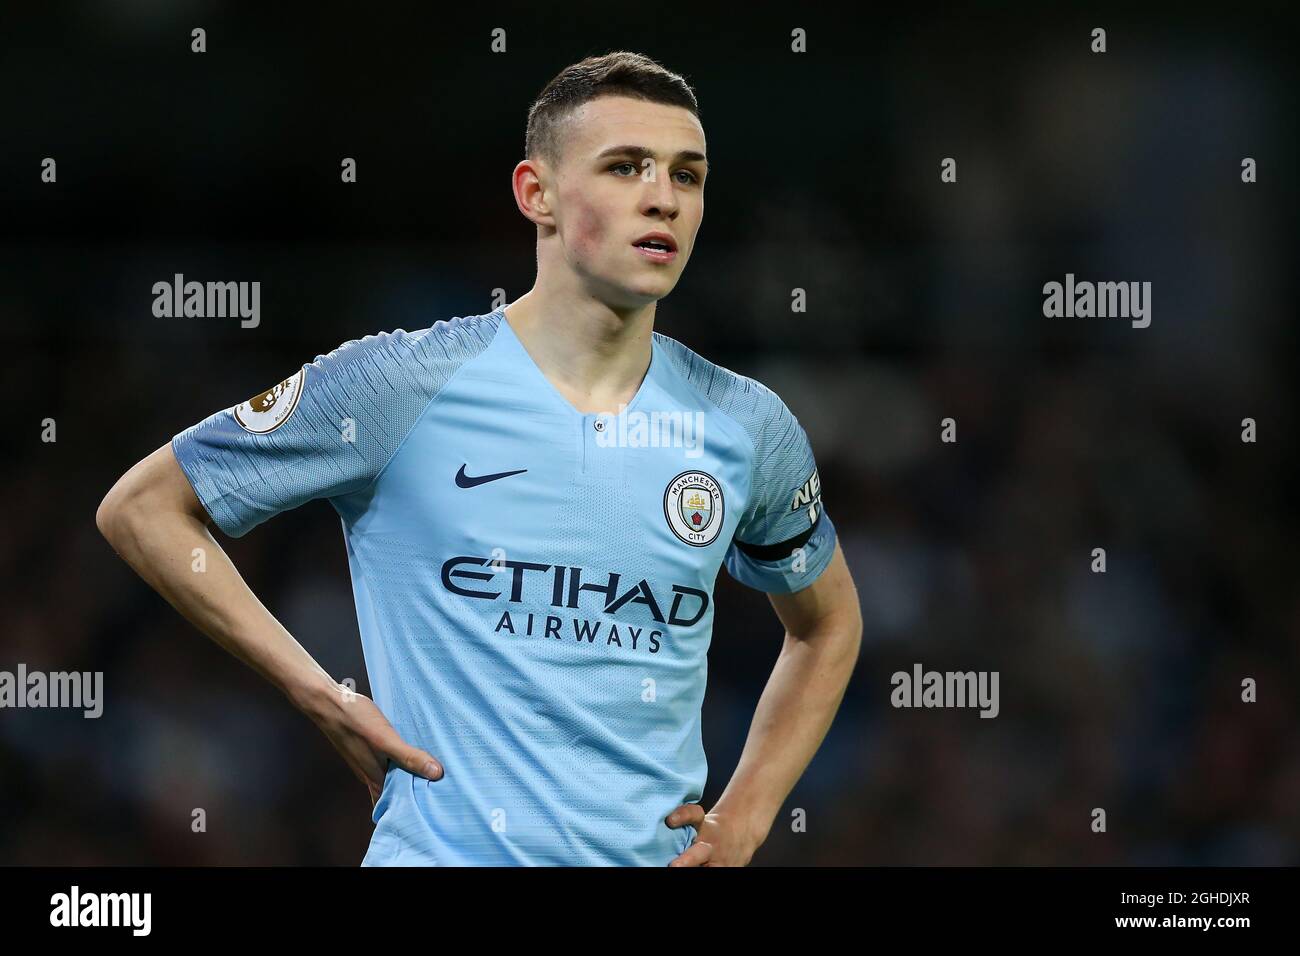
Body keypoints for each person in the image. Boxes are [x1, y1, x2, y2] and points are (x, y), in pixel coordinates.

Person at [96, 50, 862, 866]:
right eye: (625, 167)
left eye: (688, 175)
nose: (663, 198)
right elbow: (144, 508)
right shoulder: (399, 384)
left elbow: (827, 626)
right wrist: (317, 692)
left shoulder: (745, 424)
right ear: (538, 196)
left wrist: (745, 816)